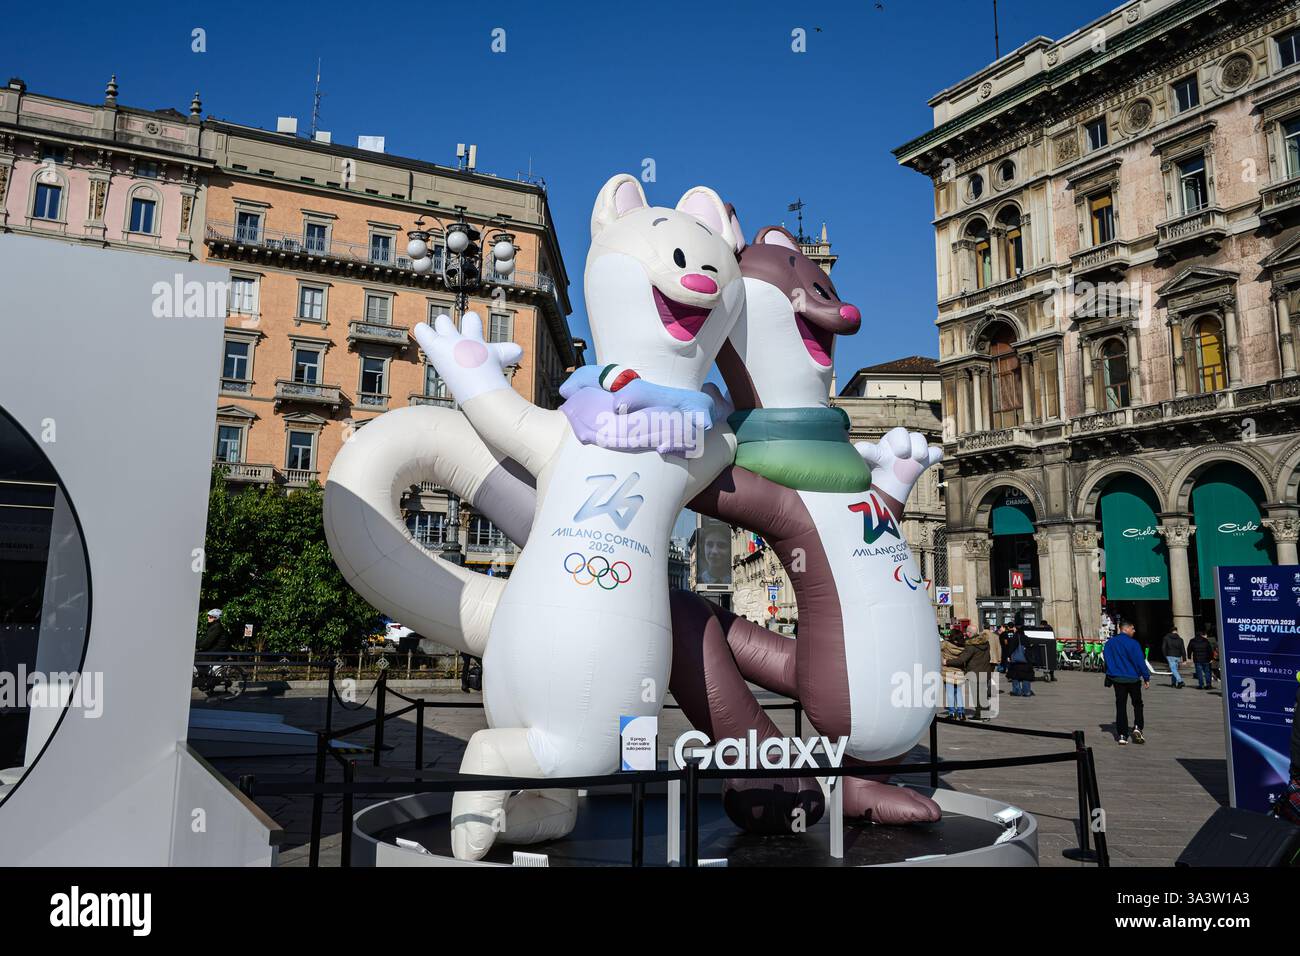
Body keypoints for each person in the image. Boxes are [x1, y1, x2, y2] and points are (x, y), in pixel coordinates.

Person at [1104, 619, 1151, 745]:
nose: (1134, 631)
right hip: (1133, 679)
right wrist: (1146, 677)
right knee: (1137, 704)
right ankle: (1137, 727)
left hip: (1117, 679)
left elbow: (1107, 660)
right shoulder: (1134, 644)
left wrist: (1112, 672)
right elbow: (1140, 662)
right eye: (1133, 628)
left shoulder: (1110, 643)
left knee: (1121, 706)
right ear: (1126, 629)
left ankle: (1122, 735)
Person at [951, 629, 994, 720]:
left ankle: (981, 716)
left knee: (977, 696)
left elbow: (961, 660)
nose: (965, 633)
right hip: (985, 671)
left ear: (970, 633)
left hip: (975, 673)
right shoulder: (985, 643)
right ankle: (985, 715)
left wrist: (947, 661)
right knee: (983, 695)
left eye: (966, 631)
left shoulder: (971, 646)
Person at [940, 630, 966, 718]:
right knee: (958, 692)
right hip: (959, 670)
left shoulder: (946, 644)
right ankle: (961, 712)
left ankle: (952, 713)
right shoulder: (964, 646)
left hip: (948, 670)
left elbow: (937, 646)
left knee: (950, 693)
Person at [1005, 622, 1035, 697]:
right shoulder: (1026, 637)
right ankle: (1027, 691)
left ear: (1017, 629)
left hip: (1016, 660)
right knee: (1026, 676)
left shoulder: (1015, 637)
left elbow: (1011, 648)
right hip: (1026, 660)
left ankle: (1017, 691)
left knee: (1015, 675)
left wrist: (1008, 656)